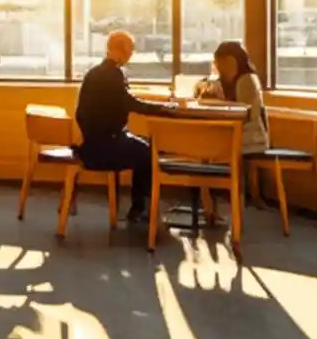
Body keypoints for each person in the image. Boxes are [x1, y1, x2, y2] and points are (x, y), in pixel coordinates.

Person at [74, 30, 176, 222]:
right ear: (120, 51)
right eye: (130, 50)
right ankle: (141, 208)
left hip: (89, 145)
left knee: (143, 146)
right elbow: (130, 103)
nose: (131, 55)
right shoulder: (114, 75)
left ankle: (141, 207)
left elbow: (82, 113)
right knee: (148, 153)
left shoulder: (94, 73)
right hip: (105, 147)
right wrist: (163, 109)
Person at [197, 41, 269, 153]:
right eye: (217, 63)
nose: (219, 67)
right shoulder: (222, 82)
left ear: (233, 62)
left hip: (251, 141)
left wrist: (219, 104)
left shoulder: (247, 80)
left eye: (221, 63)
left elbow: (247, 115)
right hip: (233, 138)